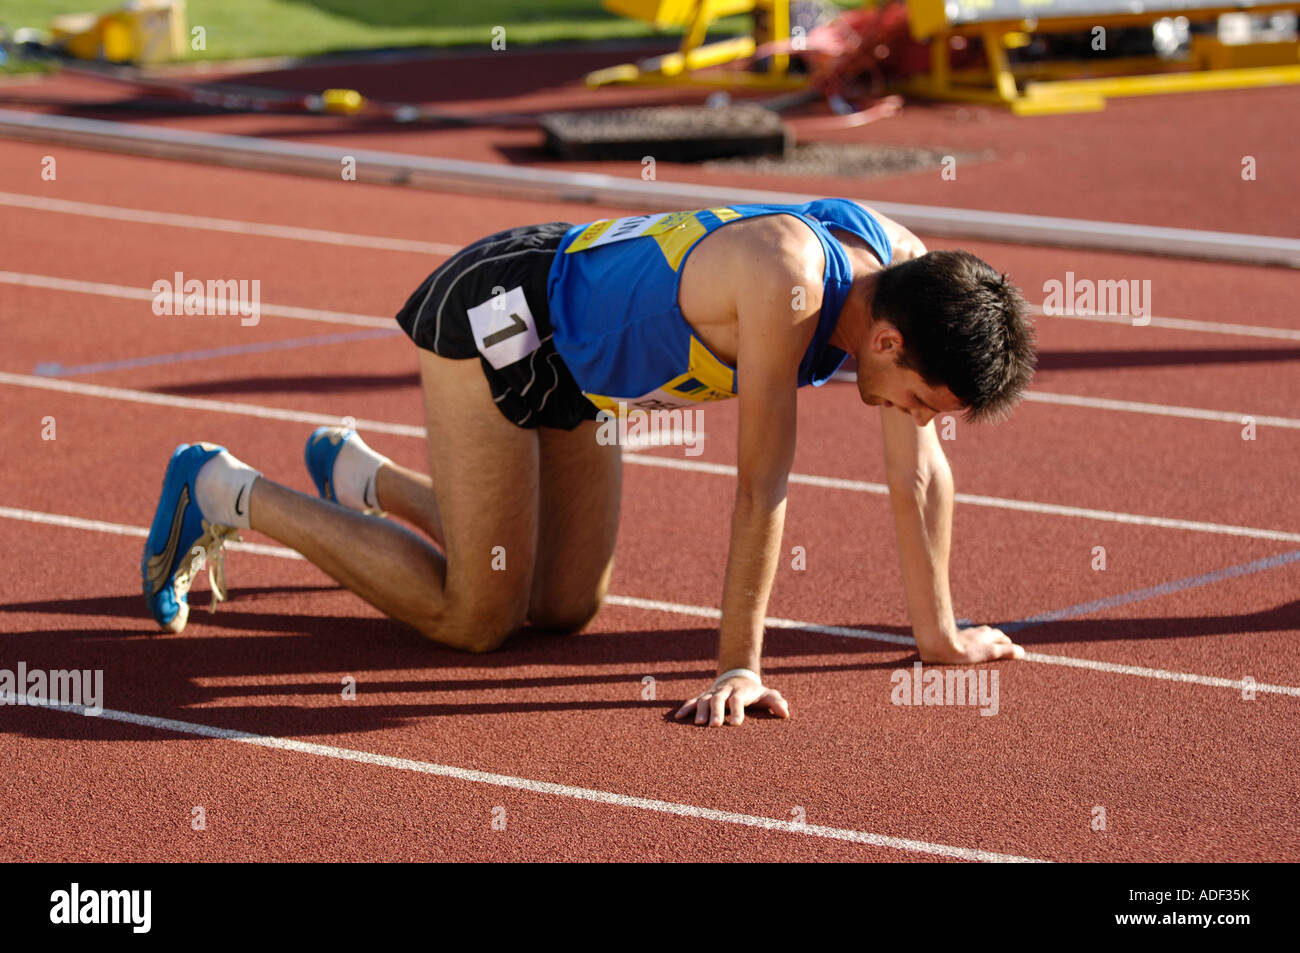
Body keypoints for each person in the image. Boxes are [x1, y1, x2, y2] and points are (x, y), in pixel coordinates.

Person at [141, 198, 1036, 728]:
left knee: (564, 606)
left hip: (584, 376)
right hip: (503, 319)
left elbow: (920, 472)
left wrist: (939, 636)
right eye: (921, 400)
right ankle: (222, 489)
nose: (918, 418)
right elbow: (762, 482)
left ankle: (359, 476)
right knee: (475, 618)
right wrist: (738, 665)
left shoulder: (910, 276)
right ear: (887, 341)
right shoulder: (789, 283)